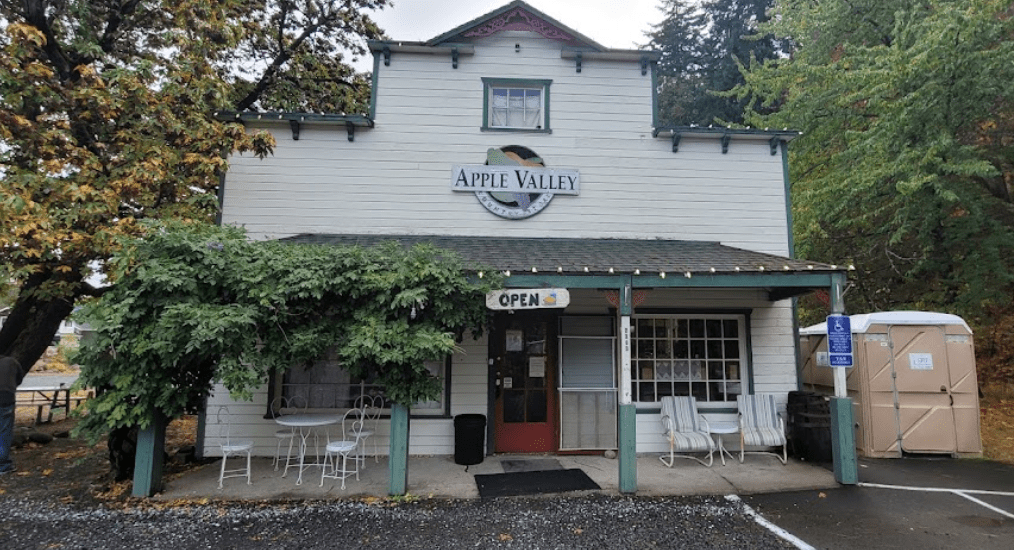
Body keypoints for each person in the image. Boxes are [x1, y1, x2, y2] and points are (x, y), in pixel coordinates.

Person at [1, 354, 28, 474]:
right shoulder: (12, 362)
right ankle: (3, 465)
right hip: (6, 398)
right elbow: (19, 379)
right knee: (4, 431)